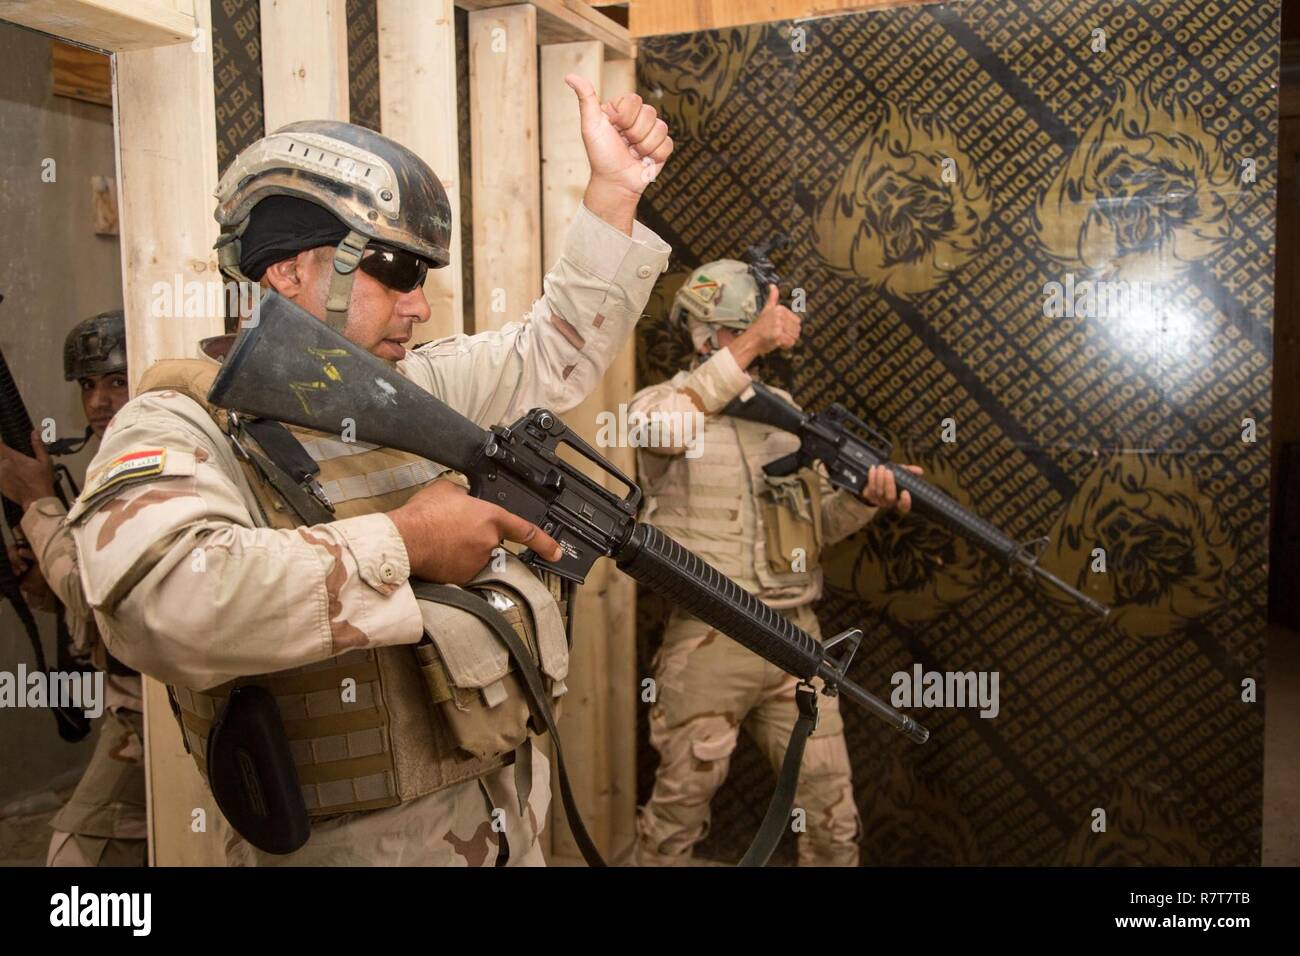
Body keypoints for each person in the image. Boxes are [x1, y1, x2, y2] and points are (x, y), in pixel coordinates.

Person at [64, 75, 673, 866]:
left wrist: (613, 193)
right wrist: (403, 542)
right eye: (398, 269)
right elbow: (157, 602)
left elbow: (551, 351)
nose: (420, 305)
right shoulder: (180, 425)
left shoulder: (409, 393)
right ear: (286, 272)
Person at [631, 259, 920, 866]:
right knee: (676, 818)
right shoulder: (662, 405)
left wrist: (864, 502)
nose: (755, 343)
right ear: (707, 337)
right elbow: (662, 429)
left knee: (833, 818)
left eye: (755, 333)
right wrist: (751, 345)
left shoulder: (784, 415)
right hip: (712, 639)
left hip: (797, 638)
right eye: (743, 332)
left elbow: (815, 528)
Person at [0, 310, 146, 866]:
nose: (97, 402)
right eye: (88, 385)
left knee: (77, 860)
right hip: (125, 702)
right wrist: (39, 574)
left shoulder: (148, 467)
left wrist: (40, 506)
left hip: (155, 709)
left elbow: (98, 600)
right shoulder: (106, 464)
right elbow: (73, 597)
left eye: (116, 381)